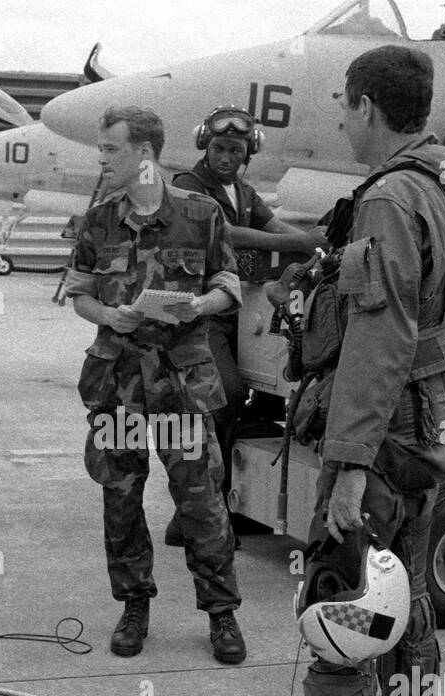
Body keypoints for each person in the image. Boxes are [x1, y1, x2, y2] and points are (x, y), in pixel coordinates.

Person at [240, 46, 445, 696]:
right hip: (430, 425)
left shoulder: (387, 199)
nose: (343, 121)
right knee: (406, 595)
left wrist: (348, 463)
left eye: (346, 107)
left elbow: (379, 338)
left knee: (341, 601)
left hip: (378, 435)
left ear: (370, 108)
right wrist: (436, 416)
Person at [65, 106, 247, 664]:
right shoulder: (98, 220)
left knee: (200, 500)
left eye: (110, 149)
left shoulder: (200, 212)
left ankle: (221, 613)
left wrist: (203, 303)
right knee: (120, 497)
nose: (102, 157)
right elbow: (79, 294)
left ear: (144, 154)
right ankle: (134, 603)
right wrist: (108, 315)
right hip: (117, 379)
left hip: (180, 382)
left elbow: (228, 282)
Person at [170, 106, 324, 547]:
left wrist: (316, 239)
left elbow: (272, 223)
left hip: (235, 313)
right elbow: (226, 236)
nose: (225, 156)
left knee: (260, 399)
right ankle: (198, 514)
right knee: (227, 397)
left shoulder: (241, 191)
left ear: (247, 154)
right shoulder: (188, 186)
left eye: (234, 150)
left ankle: (210, 509)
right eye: (218, 148)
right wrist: (298, 241)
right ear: (206, 145)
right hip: (202, 314)